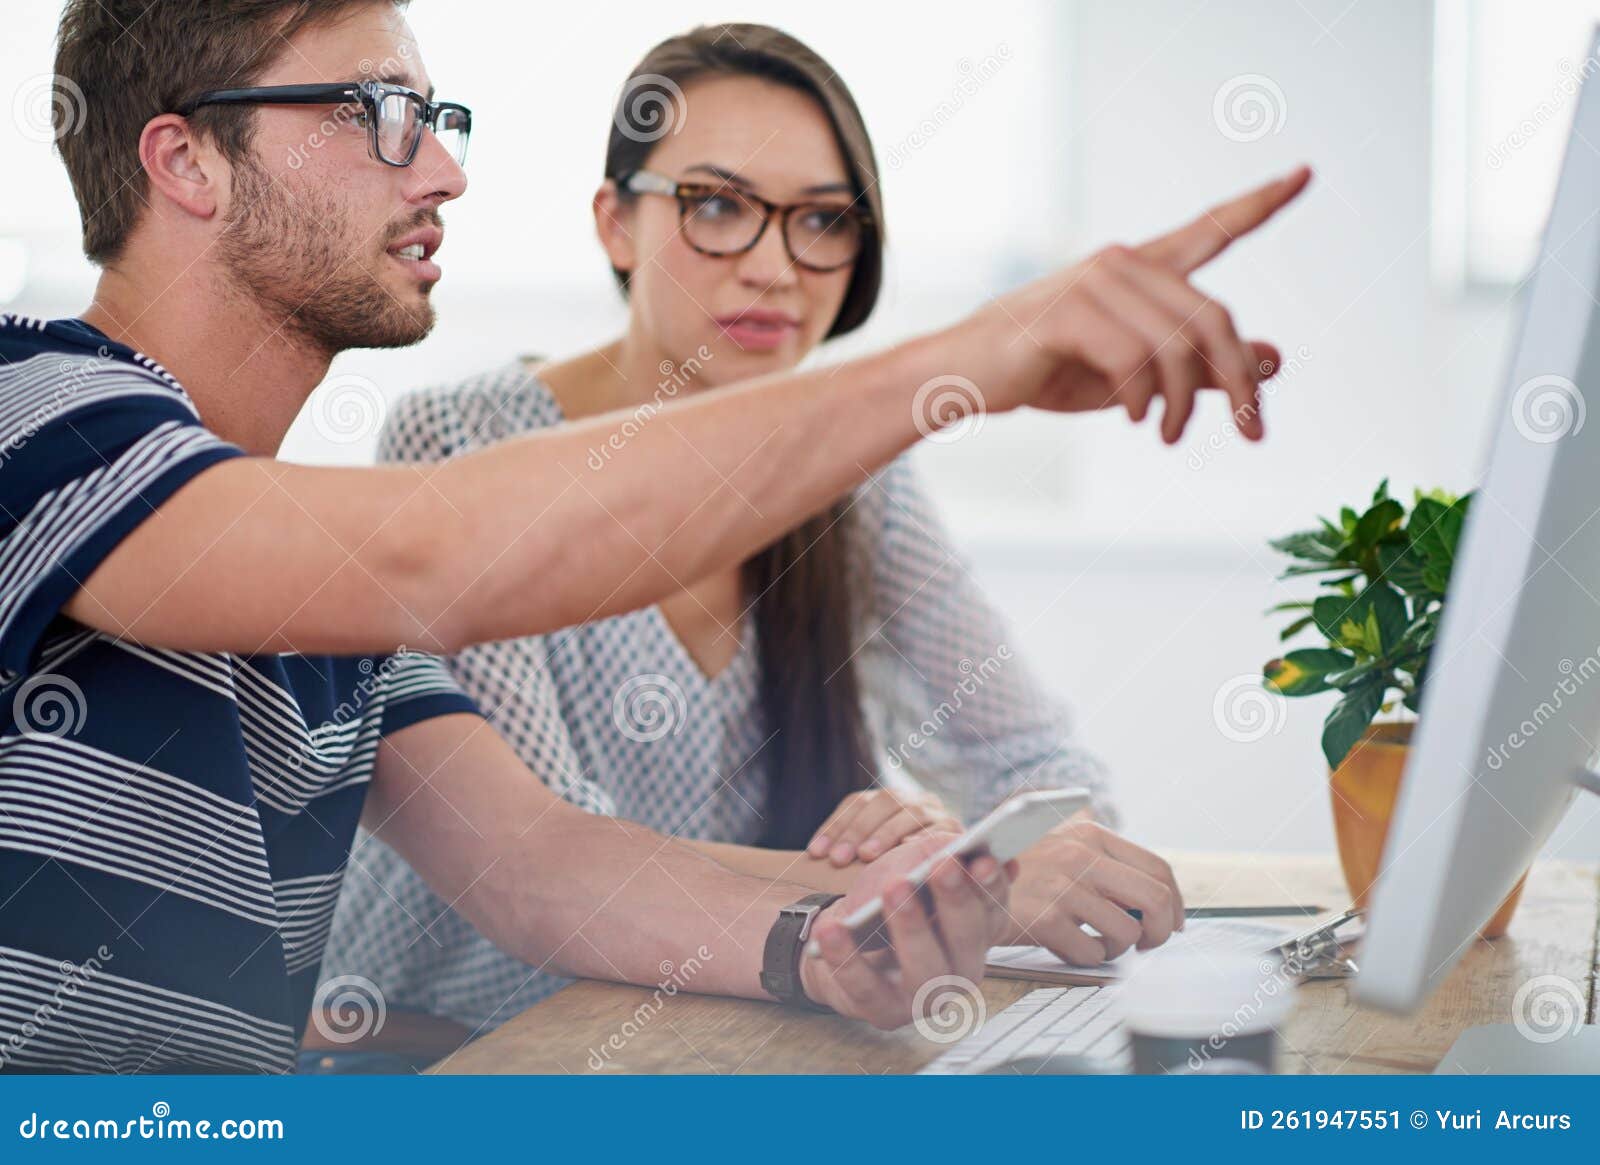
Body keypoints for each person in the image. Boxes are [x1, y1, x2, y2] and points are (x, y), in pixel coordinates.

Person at [0, 0, 1305, 1073]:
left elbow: (547, 865)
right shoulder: (35, 411)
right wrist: (980, 354)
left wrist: (872, 918)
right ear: (187, 162)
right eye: (382, 116)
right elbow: (441, 558)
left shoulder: (309, 572)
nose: (446, 171)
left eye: (438, 125)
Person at [321, 24, 1206, 1050]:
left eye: (822, 220)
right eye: (717, 206)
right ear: (616, 223)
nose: (777, 267)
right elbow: (560, 861)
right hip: (449, 1053)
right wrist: (937, 875)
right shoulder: (460, 441)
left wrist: (938, 842)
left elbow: (1040, 761)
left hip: (703, 1045)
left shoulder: (854, 475)